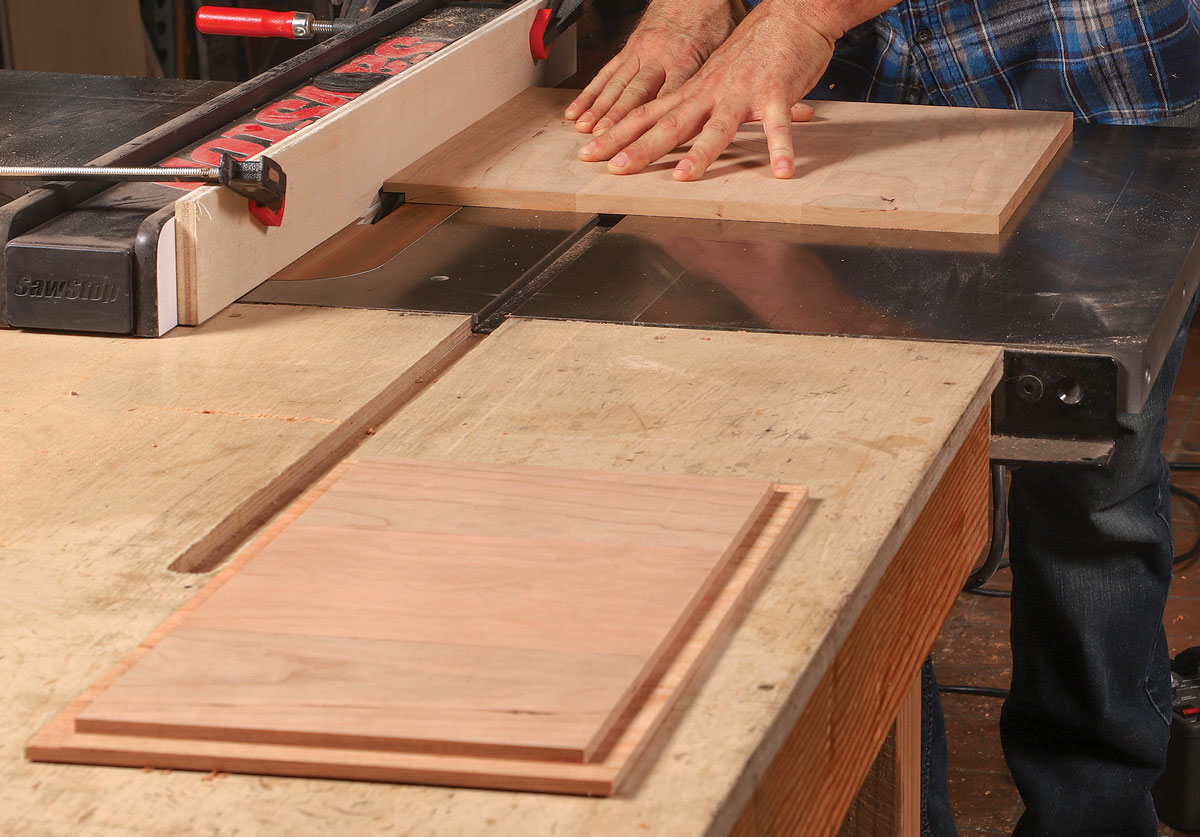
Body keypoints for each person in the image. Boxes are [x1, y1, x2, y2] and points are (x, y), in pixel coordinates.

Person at [565, 0, 1200, 833]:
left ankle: (1097, 812)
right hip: (855, 99)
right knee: (858, 497)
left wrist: (802, 15)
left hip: (1088, 71)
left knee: (1096, 498)